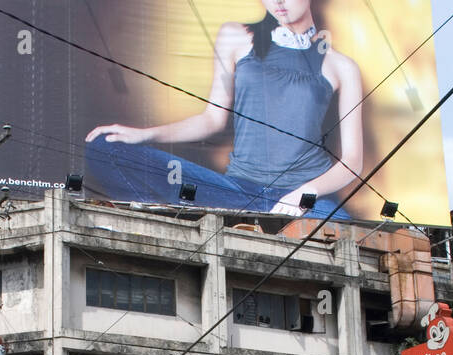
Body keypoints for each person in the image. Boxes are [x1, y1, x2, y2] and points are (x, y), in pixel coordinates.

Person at [84, 0, 364, 220]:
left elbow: (352, 161)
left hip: (303, 200)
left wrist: (303, 195)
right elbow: (212, 119)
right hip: (236, 191)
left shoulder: (342, 67)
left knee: (343, 228)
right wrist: (144, 135)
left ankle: (242, 222)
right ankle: (247, 219)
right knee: (103, 148)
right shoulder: (236, 36)